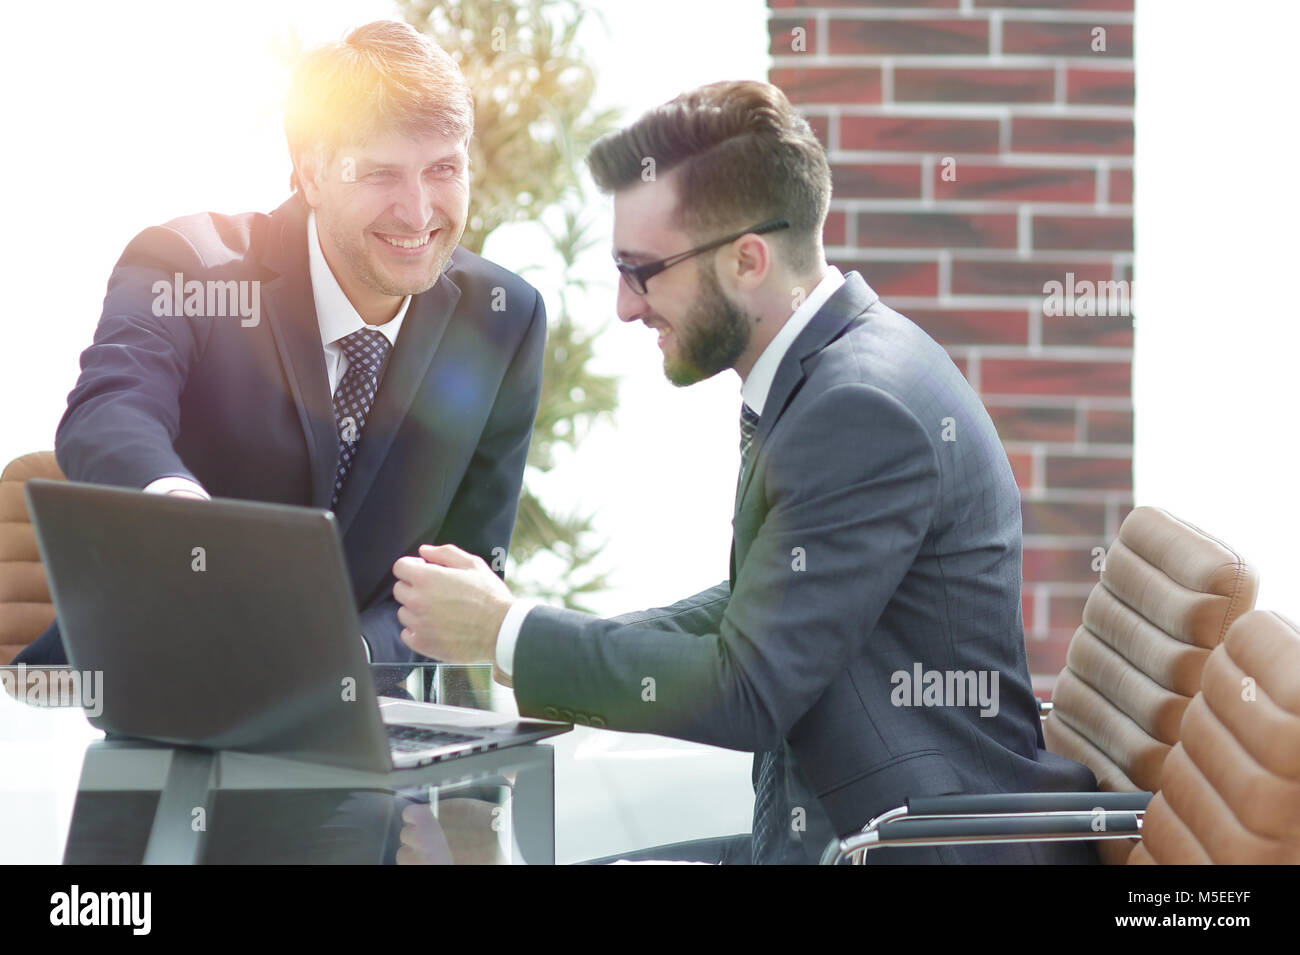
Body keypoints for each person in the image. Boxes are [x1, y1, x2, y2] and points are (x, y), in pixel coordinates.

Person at [390, 80, 1097, 864]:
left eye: (643, 271)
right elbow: (763, 602)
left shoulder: (858, 409)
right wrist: (518, 633)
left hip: (906, 847)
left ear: (748, 260)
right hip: (839, 832)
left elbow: (746, 690)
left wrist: (507, 632)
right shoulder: (829, 368)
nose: (627, 307)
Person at [16, 20, 545, 666]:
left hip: (352, 717)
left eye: (443, 169)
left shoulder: (501, 320)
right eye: (381, 174)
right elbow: (106, 413)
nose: (418, 211)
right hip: (125, 690)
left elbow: (452, 581)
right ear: (313, 174)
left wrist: (335, 661)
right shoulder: (192, 265)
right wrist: (181, 514)